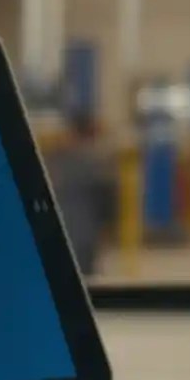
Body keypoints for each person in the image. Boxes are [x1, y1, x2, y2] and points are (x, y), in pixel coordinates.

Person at [46, 114, 115, 276]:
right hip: (85, 234)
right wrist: (107, 227)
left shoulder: (54, 160)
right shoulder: (96, 164)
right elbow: (107, 202)